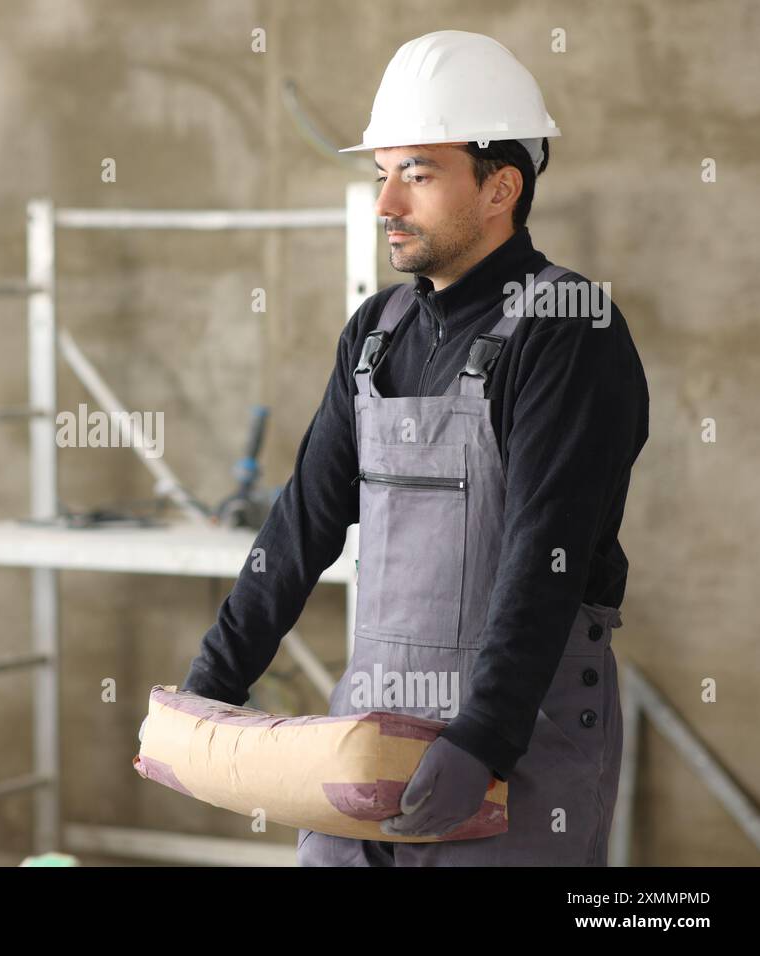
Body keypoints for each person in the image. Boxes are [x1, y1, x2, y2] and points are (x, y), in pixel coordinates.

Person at [178, 31, 649, 865]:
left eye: (418, 174)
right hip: (369, 731)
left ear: (501, 185)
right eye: (380, 174)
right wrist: (209, 686)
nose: (385, 203)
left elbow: (548, 557)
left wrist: (484, 740)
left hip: (517, 738)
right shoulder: (376, 333)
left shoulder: (569, 329)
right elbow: (302, 527)